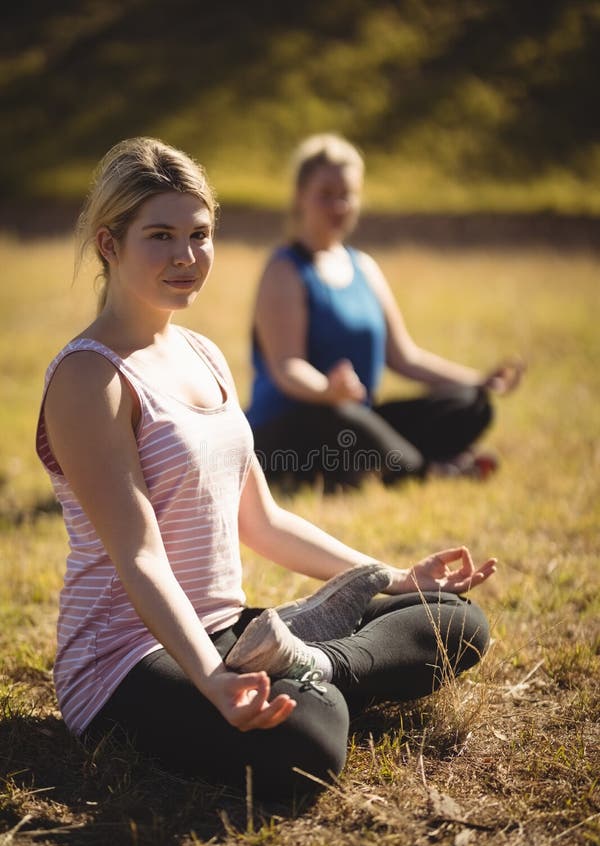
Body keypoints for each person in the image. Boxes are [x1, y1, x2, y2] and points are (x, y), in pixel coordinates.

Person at [36, 137, 496, 801]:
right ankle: (311, 674)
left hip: (233, 635)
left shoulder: (203, 353)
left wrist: (393, 577)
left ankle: (310, 661)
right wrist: (211, 679)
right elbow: (139, 557)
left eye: (199, 235)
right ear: (110, 244)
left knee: (454, 618)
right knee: (310, 738)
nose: (186, 257)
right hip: (128, 662)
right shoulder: (89, 378)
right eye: (160, 236)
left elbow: (264, 520)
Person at [246, 133, 524, 490]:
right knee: (345, 421)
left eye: (347, 195)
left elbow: (404, 356)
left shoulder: (365, 267)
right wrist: (327, 389)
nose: (338, 206)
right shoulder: (284, 270)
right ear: (301, 197)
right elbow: (287, 368)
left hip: (355, 416)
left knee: (471, 404)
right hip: (291, 427)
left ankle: (376, 465)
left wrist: (477, 380)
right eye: (326, 195)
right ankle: (429, 469)